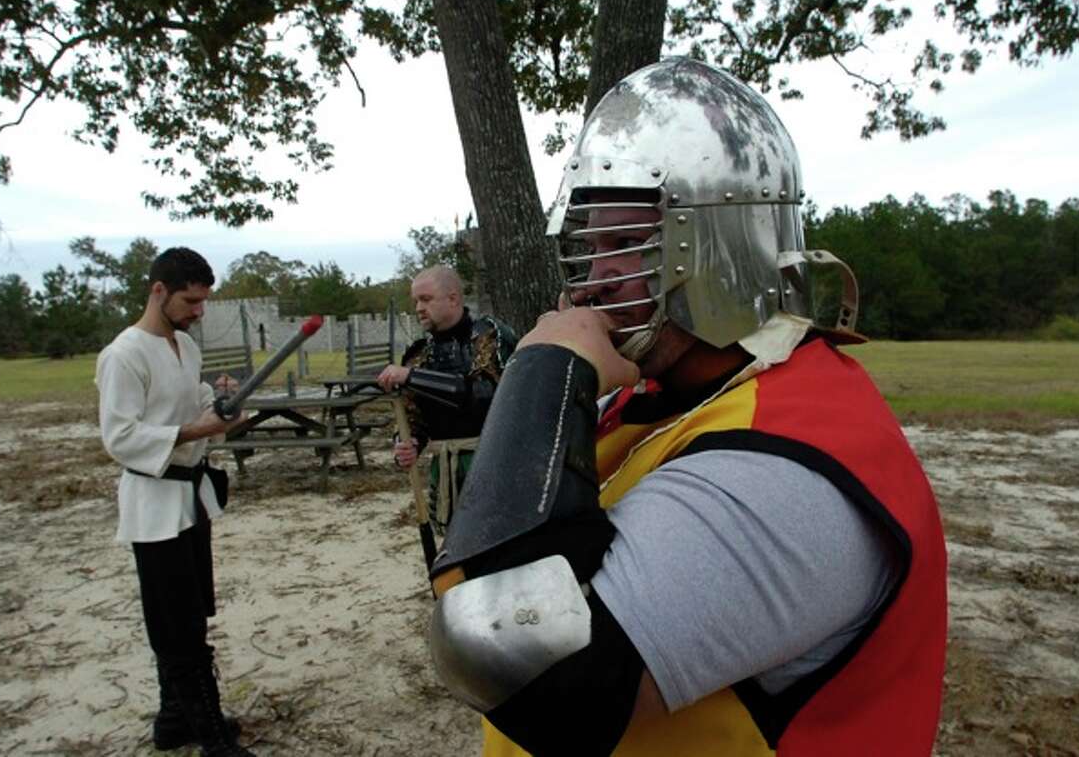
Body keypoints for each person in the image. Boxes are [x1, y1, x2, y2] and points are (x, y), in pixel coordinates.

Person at [425, 57, 947, 756]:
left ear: (726, 243)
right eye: (589, 247)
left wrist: (542, 369)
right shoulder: (652, 397)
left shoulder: (785, 464)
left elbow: (521, 665)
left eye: (626, 244)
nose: (595, 280)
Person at [95, 247, 255, 757]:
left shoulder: (185, 346)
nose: (198, 311)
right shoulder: (123, 355)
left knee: (189, 612)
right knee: (177, 625)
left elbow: (195, 405)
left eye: (203, 301)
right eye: (190, 301)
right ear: (158, 290)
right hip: (153, 503)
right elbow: (120, 437)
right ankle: (213, 739)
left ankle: (173, 721)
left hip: (191, 497)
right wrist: (197, 428)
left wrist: (221, 402)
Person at [377, 265, 517, 542]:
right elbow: (412, 415)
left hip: (494, 461)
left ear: (453, 299)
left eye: (426, 299)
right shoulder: (419, 354)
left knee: (499, 543)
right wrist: (408, 443)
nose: (418, 308)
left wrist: (411, 376)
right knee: (452, 546)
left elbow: (486, 394)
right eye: (416, 301)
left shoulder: (490, 335)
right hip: (445, 472)